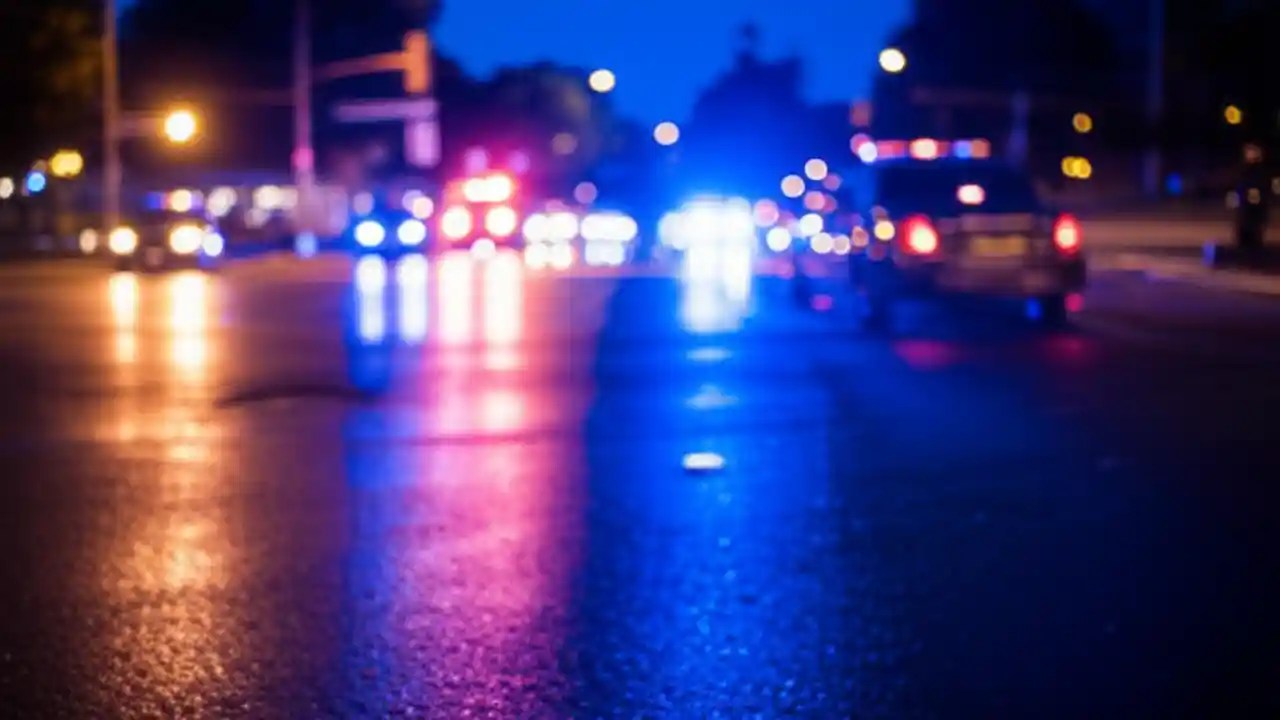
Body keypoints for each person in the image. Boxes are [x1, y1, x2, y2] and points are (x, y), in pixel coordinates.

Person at [1235, 143, 1270, 252]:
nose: (1251, 155)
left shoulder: (1260, 170)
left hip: (1256, 206)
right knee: (1245, 228)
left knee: (1255, 228)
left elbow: (1262, 186)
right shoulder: (1243, 169)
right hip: (1246, 205)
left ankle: (1255, 248)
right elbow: (1239, 185)